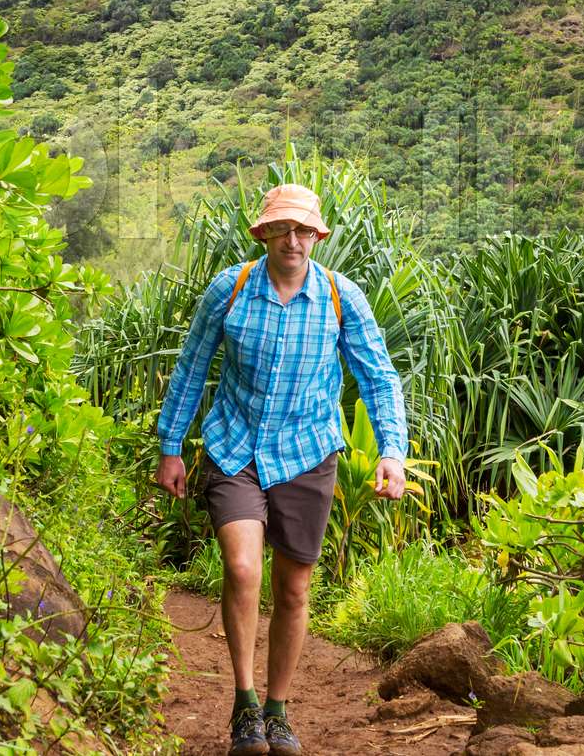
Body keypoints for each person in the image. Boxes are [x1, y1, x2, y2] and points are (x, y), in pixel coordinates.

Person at [154, 183, 408, 756]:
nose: (292, 239)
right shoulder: (233, 288)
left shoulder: (342, 298)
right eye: (281, 228)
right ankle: (245, 706)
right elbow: (192, 365)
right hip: (235, 447)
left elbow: (379, 377)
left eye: (304, 230)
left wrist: (392, 450)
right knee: (243, 569)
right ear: (263, 233)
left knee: (293, 589)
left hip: (307, 453)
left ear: (318, 237)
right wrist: (172, 446)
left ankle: (278, 710)